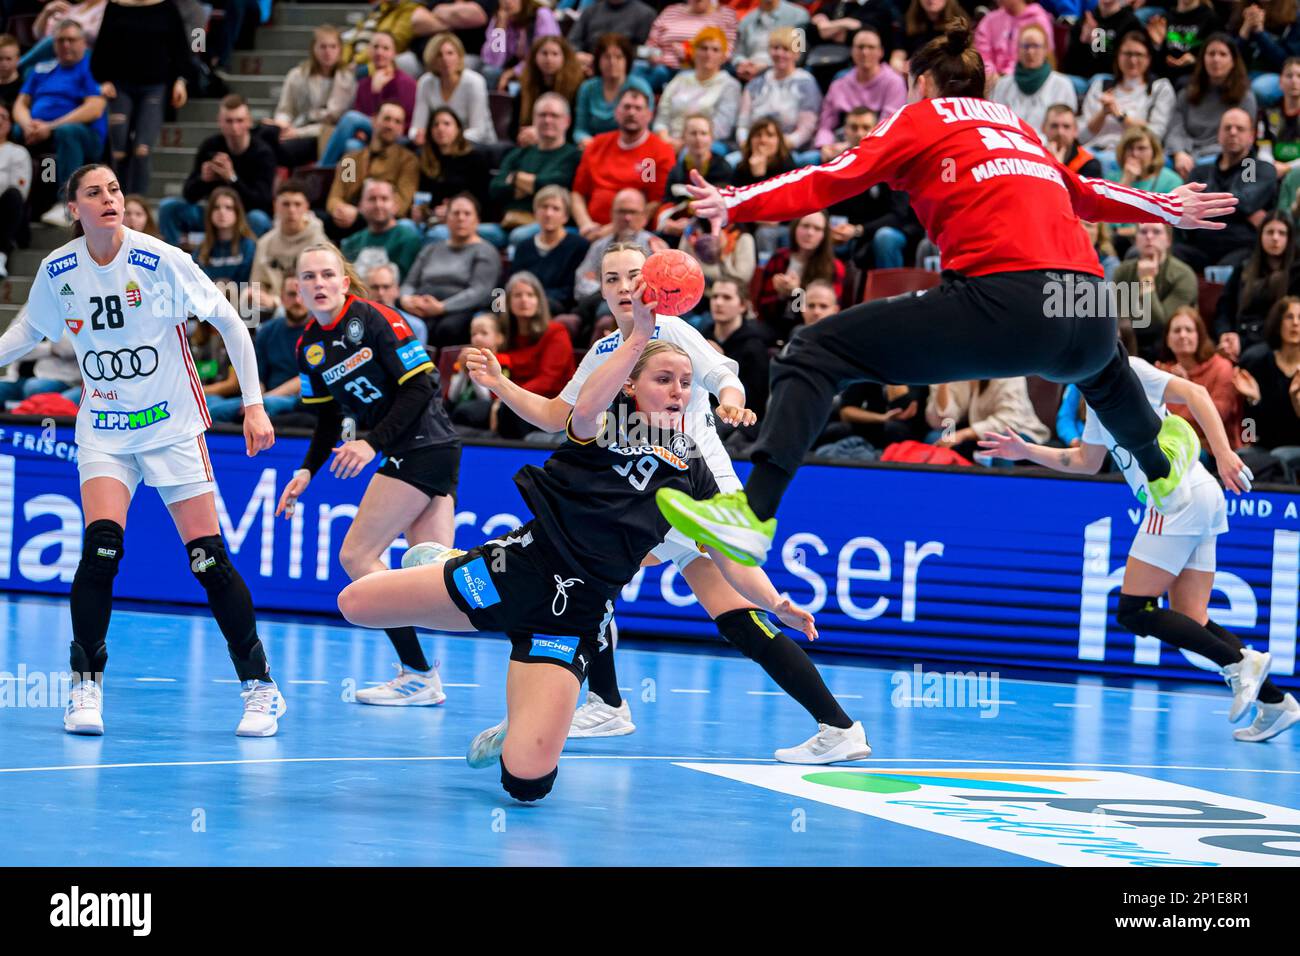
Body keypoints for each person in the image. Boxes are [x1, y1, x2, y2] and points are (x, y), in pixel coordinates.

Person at [657, 25, 1239, 567]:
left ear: (922, 84)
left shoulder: (922, 116)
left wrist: (735, 202)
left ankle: (752, 512)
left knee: (811, 350)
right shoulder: (1018, 125)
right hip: (1089, 306)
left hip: (1006, 303)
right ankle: (1160, 469)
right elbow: (1084, 193)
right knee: (1106, 372)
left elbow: (829, 178)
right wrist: (1165, 206)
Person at [442, 242, 872, 762]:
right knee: (605, 586)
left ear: (654, 285)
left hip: (697, 491)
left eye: (633, 277)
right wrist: (500, 385)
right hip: (643, 498)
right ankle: (607, 703)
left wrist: (732, 404)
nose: (625, 288)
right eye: (612, 279)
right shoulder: (606, 352)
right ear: (600, 290)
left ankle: (835, 725)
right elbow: (558, 416)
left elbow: (723, 377)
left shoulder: (670, 329)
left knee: (683, 599)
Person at [0, 164, 284, 737]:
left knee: (207, 561)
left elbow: (231, 322)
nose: (109, 199)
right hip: (105, 429)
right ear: (73, 209)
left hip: (172, 428)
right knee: (102, 549)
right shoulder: (59, 270)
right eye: (94, 193)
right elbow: (29, 330)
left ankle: (260, 688)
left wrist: (253, 405)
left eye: (114, 190)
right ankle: (85, 686)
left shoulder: (159, 261)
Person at [982, 356, 1296, 741]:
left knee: (1134, 610)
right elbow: (1085, 461)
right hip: (1200, 495)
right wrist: (1028, 451)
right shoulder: (1094, 395)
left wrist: (1225, 452)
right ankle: (1275, 703)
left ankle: (1241, 664)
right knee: (1191, 617)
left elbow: (1195, 393)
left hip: (1176, 495)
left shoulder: (1128, 370)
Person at [276, 243, 461, 707]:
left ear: (343, 281)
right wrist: (305, 472)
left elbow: (423, 385)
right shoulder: (308, 348)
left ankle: (417, 674)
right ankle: (531, 619)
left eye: (326, 275)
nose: (318, 283)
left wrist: (371, 442)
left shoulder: (379, 319)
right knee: (434, 572)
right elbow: (326, 420)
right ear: (296, 288)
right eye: (308, 277)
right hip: (417, 450)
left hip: (423, 444)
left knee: (358, 556)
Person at [90, 0, 192, 195]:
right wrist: (103, 80)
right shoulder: (115, 6)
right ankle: (117, 203)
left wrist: (181, 80)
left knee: (142, 149)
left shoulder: (167, 7)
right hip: (120, 85)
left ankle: (137, 207)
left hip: (155, 85)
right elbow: (102, 48)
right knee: (119, 151)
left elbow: (180, 48)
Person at [12, 19, 107, 226]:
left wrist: (50, 126)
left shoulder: (93, 65)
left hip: (82, 135)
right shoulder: (42, 68)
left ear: (83, 42)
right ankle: (18, 202)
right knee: (15, 130)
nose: (65, 45)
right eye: (60, 40)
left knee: (67, 132)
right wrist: (28, 124)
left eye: (71, 40)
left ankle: (67, 204)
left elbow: (94, 108)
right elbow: (20, 103)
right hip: (40, 130)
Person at [1172, 108, 1278, 274]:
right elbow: (1187, 205)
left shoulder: (1250, 167)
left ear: (1251, 136)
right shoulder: (1201, 171)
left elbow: (1245, 201)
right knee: (1168, 256)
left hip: (1239, 246)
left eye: (1240, 128)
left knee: (1226, 270)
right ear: (1219, 134)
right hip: (1200, 246)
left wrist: (1204, 203)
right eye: (1227, 128)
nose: (1233, 133)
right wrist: (1240, 209)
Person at [158, 95, 275, 246]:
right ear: (219, 121)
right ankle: (172, 262)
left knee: (258, 219)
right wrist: (203, 180)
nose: (234, 127)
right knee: (169, 207)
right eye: (229, 121)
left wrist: (232, 178)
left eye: (239, 120)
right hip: (212, 212)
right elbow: (188, 194)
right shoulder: (210, 146)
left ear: (249, 122)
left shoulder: (262, 152)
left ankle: (243, 265)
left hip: (244, 216)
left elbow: (262, 202)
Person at [570, 88, 676, 240]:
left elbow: (654, 203)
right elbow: (577, 193)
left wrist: (608, 231)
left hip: (633, 233)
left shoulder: (658, 152)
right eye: (626, 107)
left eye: (638, 108)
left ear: (649, 115)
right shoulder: (597, 145)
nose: (632, 113)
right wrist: (585, 225)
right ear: (616, 112)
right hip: (588, 231)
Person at [399, 193, 501, 344]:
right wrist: (406, 299)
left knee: (447, 328)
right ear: (446, 219)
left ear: (477, 220)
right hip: (421, 304)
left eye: (467, 214)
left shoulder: (485, 251)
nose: (461, 218)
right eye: (456, 213)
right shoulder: (431, 249)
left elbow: (479, 291)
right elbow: (410, 282)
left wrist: (442, 307)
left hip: (460, 309)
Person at [206, 276, 308, 422]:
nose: (298, 301)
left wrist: (259, 401)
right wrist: (254, 399)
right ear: (282, 297)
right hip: (266, 397)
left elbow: (305, 379)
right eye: (292, 294)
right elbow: (258, 378)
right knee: (207, 402)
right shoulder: (267, 330)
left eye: (302, 294)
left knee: (215, 411)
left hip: (296, 399)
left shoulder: (316, 330)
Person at [260, 24, 356, 169]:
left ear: (340, 49)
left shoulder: (348, 80)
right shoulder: (297, 75)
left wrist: (297, 133)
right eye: (323, 47)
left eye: (333, 47)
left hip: (328, 134)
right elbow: (285, 109)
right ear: (314, 48)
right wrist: (282, 125)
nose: (328, 52)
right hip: (297, 127)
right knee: (266, 137)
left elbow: (339, 122)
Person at [488, 92, 581, 239]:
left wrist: (515, 177)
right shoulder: (518, 154)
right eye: (542, 115)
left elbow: (558, 185)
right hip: (508, 223)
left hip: (548, 228)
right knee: (443, 234)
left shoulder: (574, 156)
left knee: (518, 237)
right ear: (534, 119)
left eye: (554, 115)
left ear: (567, 121)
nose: (547, 120)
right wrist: (534, 185)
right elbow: (495, 189)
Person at [319, 32, 416, 168]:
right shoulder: (364, 83)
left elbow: (398, 120)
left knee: (351, 117)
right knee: (351, 146)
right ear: (369, 51)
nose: (379, 52)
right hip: (370, 136)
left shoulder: (406, 83)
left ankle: (322, 168)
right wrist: (360, 132)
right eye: (375, 47)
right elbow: (361, 112)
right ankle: (348, 185)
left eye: (385, 48)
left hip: (395, 136)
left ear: (394, 53)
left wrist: (377, 92)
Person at [324, 102, 417, 241]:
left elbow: (401, 204)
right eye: (386, 119)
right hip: (347, 220)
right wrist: (340, 209)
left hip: (384, 221)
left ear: (402, 129)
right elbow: (336, 196)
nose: (391, 125)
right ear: (374, 121)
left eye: (397, 122)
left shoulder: (408, 161)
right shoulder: (351, 160)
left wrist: (360, 213)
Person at [1166, 35, 1256, 178]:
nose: (1216, 59)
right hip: (1185, 154)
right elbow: (1175, 129)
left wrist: (1197, 159)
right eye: (1211, 54)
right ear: (1203, 59)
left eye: (1222, 54)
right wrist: (1179, 153)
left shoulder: (1245, 98)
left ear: (1233, 61)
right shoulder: (1187, 93)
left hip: (1222, 155)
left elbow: (1246, 139)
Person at [1079, 32, 1176, 161]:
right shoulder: (1100, 85)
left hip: (1134, 155)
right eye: (1127, 54)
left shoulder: (1160, 88)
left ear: (1149, 58)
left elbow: (1155, 135)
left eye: (1139, 54)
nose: (1133, 60)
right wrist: (1103, 112)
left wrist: (1119, 116)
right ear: (1118, 56)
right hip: (1095, 153)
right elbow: (1082, 137)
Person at [1214, 211, 1297, 362]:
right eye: (1270, 232)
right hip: (1238, 338)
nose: (1275, 238)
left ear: (1289, 239)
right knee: (1218, 363)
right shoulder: (1244, 268)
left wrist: (1243, 342)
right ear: (1260, 236)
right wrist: (1225, 335)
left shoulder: (1296, 275)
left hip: (1275, 342)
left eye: (1282, 233)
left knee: (1254, 357)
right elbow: (1224, 308)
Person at [1155, 306, 1241, 449]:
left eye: (1189, 330)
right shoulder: (1161, 371)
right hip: (1166, 443)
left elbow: (1218, 414)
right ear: (1167, 340)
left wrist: (1185, 388)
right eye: (1176, 330)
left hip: (1210, 448)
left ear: (1199, 336)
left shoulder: (1221, 367)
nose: (1183, 335)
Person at [1111, 222, 1198, 360]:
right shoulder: (1123, 271)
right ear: (1136, 239)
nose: (1149, 237)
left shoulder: (1184, 275)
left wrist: (1146, 279)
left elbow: (1160, 324)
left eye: (1156, 232)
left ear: (1168, 240)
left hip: (1166, 346)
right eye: (1143, 232)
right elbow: (1119, 317)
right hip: (1130, 341)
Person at [1235, 296, 1300, 478]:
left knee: (1280, 457)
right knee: (1240, 456)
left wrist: (1297, 404)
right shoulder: (1259, 362)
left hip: (1295, 448)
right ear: (1278, 323)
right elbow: (1252, 427)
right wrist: (1254, 401)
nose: (1295, 323)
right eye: (1289, 317)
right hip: (1266, 447)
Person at [756, 211, 844, 343]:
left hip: (809, 327)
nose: (810, 233)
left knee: (797, 332)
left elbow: (826, 313)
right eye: (805, 226)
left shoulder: (834, 267)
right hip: (776, 324)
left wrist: (797, 293)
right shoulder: (779, 258)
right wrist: (780, 296)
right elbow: (762, 309)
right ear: (795, 228)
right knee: (750, 330)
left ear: (824, 235)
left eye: (817, 229)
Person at [735, 27, 822, 156]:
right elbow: (742, 124)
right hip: (754, 149)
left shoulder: (806, 83)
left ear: (797, 53)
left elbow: (806, 129)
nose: (780, 53)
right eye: (775, 48)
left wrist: (777, 147)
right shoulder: (755, 84)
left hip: (789, 150)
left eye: (786, 49)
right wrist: (746, 144)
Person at [654, 26, 741, 150]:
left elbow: (722, 128)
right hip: (668, 141)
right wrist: (665, 138)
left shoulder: (730, 85)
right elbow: (662, 116)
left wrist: (685, 144)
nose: (708, 54)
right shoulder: (680, 79)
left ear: (723, 57)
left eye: (715, 50)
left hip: (704, 146)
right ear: (694, 52)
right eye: (703, 48)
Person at [248, 179, 327, 316]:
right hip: (270, 307)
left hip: (308, 306)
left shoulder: (319, 243)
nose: (291, 210)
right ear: (275, 206)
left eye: (297, 204)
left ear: (306, 207)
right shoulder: (265, 243)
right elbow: (256, 284)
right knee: (245, 299)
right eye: (286, 204)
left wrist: (277, 302)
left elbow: (323, 287)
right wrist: (258, 296)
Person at [508, 185, 590, 314]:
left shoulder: (579, 246)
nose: (548, 213)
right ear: (535, 212)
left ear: (566, 216)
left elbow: (570, 291)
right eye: (544, 207)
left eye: (555, 209)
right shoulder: (524, 246)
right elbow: (512, 282)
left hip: (558, 307)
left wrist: (534, 298)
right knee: (497, 309)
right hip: (523, 303)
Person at [410, 32, 495, 147]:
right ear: (432, 59)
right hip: (440, 143)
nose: (445, 59)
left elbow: (478, 131)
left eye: (450, 53)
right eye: (439, 55)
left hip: (475, 145)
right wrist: (417, 135)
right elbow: (416, 126)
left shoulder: (475, 82)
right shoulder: (426, 82)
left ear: (459, 56)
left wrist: (448, 138)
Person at [989, 23, 1075, 135]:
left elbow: (1066, 130)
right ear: (1018, 50)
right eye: (1025, 46)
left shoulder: (1062, 85)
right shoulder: (1003, 84)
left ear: (1045, 50)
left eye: (1035, 46)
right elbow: (994, 123)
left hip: (1045, 148)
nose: (1030, 52)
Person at [572, 33, 654, 146]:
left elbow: (646, 129)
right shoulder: (587, 88)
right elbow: (580, 130)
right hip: (594, 147)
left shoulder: (640, 86)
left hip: (630, 147)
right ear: (598, 61)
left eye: (618, 57)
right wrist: (588, 142)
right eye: (606, 57)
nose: (612, 62)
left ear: (627, 60)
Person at [341, 178, 424, 278]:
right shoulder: (351, 243)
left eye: (384, 199)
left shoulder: (408, 240)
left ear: (395, 205)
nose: (378, 205)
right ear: (360, 206)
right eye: (372, 199)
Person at [514, 35, 584, 147]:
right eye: (544, 53)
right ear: (535, 57)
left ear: (564, 58)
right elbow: (514, 127)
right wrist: (524, 135)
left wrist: (542, 133)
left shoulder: (576, 89)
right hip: (529, 145)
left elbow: (575, 127)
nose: (549, 59)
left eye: (555, 54)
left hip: (565, 146)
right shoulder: (525, 89)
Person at [973, 0, 1054, 88]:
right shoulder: (989, 20)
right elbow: (981, 54)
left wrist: (1007, 75)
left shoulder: (1038, 19)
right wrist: (990, 73)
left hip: (1026, 79)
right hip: (991, 82)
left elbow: (1042, 55)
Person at [481, 0, 560, 89]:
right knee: (489, 71)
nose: (507, 2)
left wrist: (514, 72)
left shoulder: (542, 14)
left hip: (537, 69)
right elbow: (493, 62)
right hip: (509, 67)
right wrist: (500, 28)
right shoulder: (500, 18)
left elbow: (547, 53)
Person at [192, 186, 256, 294]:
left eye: (228, 207)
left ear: (237, 213)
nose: (222, 212)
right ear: (210, 213)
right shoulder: (202, 249)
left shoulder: (248, 246)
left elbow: (248, 282)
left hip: (240, 304)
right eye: (216, 207)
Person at [1062, 0, 1141, 85]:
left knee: (1098, 80)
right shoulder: (1085, 20)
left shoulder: (1130, 23)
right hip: (1082, 80)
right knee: (1064, 82)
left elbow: (1121, 64)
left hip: (1113, 79)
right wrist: (1083, 42)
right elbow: (1069, 66)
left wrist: (1098, 43)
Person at [1146, 0, 1219, 87]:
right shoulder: (1165, 19)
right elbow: (1157, 65)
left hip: (1194, 77)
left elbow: (1218, 56)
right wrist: (1158, 45)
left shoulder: (1210, 19)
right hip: (1167, 77)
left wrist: (1195, 60)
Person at [733, 0, 808, 84]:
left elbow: (800, 53)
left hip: (786, 77)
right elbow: (738, 53)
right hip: (750, 77)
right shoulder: (746, 20)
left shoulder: (798, 15)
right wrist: (742, 64)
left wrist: (768, 66)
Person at [0, 99, 31, 281]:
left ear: (10, 124)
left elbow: (21, 192)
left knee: (13, 196)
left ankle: (1, 256)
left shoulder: (18, 152)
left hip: (6, 214)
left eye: (3, 117)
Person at [1043, 105, 1102, 178]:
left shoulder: (1089, 164)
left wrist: (1058, 167)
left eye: (1066, 126)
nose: (1060, 132)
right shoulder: (1035, 157)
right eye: (1054, 126)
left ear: (1076, 130)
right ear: (1043, 128)